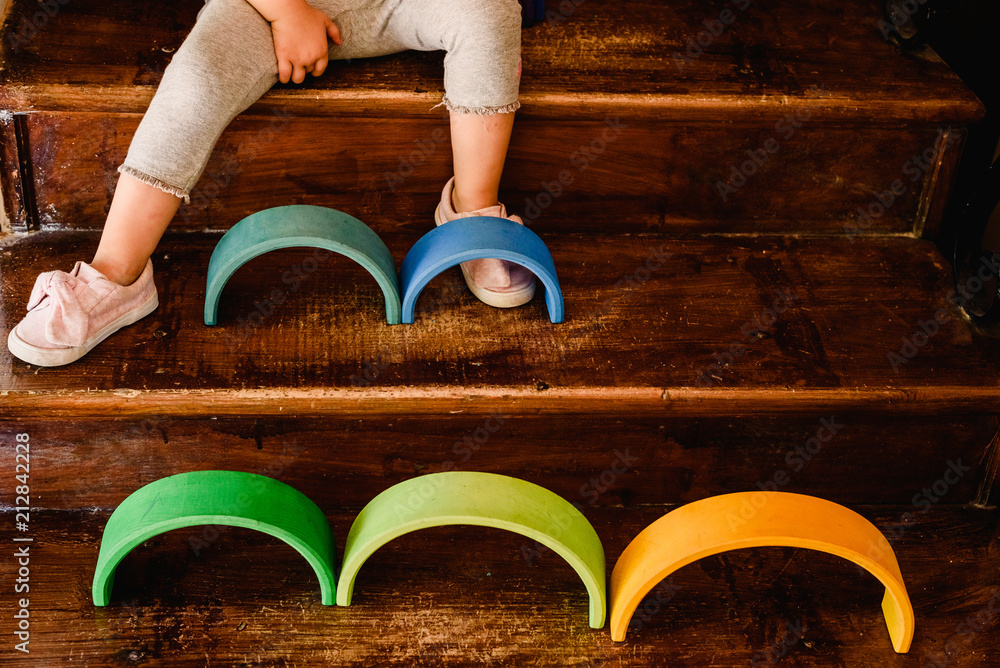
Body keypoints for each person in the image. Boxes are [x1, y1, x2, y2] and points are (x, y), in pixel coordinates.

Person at [8, 0, 535, 367]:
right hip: (261, 9)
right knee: (197, 77)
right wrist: (285, 11)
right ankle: (115, 272)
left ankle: (473, 208)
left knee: (488, 12)